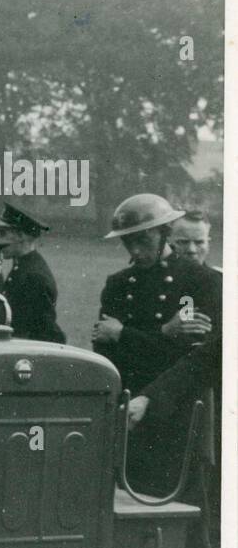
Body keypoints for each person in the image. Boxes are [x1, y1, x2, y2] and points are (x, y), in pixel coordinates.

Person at [93, 193, 220, 496]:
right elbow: (105, 351)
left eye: (143, 240)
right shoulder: (118, 284)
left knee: (186, 512)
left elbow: (195, 356)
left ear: (164, 233)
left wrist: (126, 334)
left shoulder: (200, 281)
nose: (136, 250)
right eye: (128, 242)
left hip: (179, 412)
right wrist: (164, 334)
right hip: (131, 410)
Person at [128, 334, 221, 548]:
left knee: (194, 536)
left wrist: (151, 398)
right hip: (151, 422)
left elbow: (206, 356)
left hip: (188, 427)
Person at [0, 200, 65, 343]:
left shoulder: (33, 277)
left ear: (20, 235)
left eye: (3, 233)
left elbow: (45, 331)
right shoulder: (24, 266)